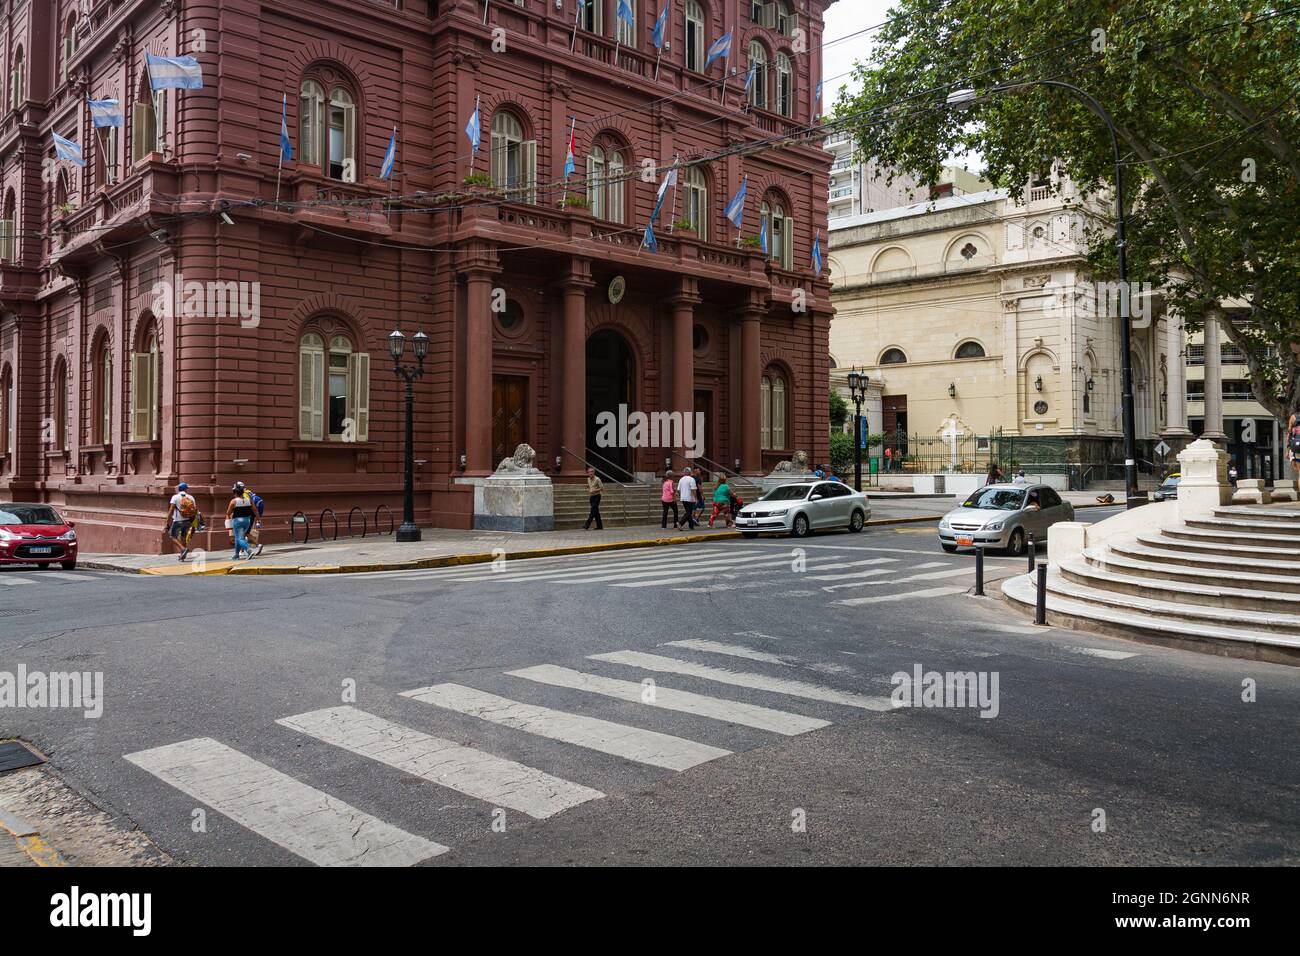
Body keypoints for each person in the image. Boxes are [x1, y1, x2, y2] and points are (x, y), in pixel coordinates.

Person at [164, 482, 199, 560]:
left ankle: (183, 549)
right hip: (188, 520)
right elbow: (195, 509)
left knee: (173, 536)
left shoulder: (175, 497)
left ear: (179, 489)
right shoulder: (191, 497)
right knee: (183, 537)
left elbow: (171, 509)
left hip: (177, 520)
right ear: (186, 489)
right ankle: (183, 556)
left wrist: (167, 520)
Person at [225, 482, 258, 560]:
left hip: (237, 521)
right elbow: (255, 510)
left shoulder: (233, 501)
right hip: (247, 520)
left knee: (240, 538)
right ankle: (236, 554)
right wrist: (258, 518)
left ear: (235, 492)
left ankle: (249, 551)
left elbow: (228, 513)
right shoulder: (248, 500)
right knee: (239, 537)